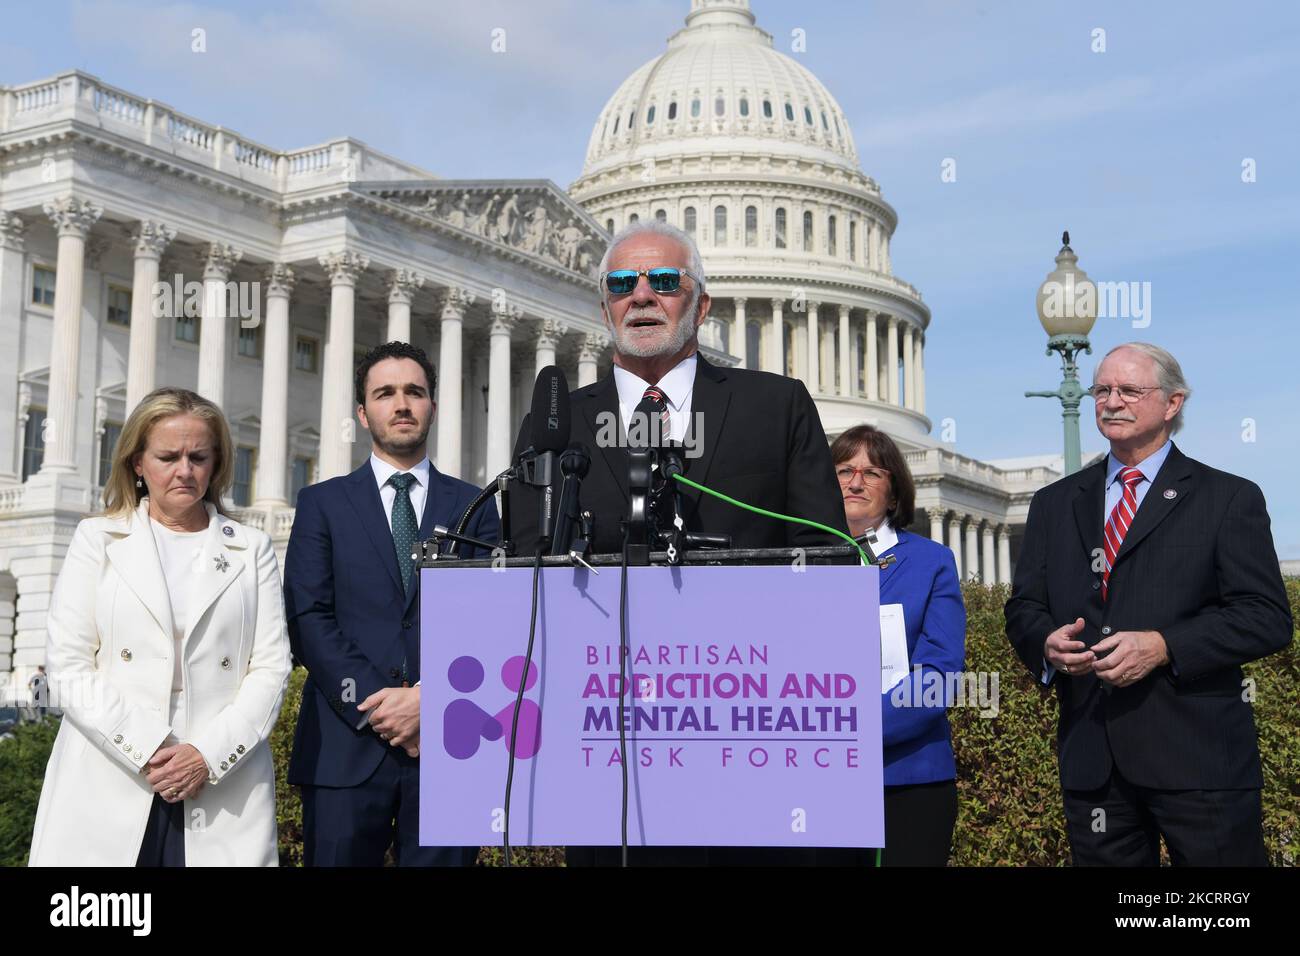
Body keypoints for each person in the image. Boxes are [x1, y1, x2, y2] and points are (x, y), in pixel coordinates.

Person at [509, 220, 848, 865]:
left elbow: (825, 556)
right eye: (621, 284)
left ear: (701, 304)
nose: (641, 296)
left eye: (663, 281)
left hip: (746, 732)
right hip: (604, 744)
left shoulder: (774, 406)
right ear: (602, 304)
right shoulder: (559, 423)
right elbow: (529, 559)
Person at [1005, 342, 1292, 866]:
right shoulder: (1053, 503)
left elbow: (1266, 617)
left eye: (1130, 390)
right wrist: (1045, 645)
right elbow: (1024, 606)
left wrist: (1165, 646)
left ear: (1173, 403)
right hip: (1094, 762)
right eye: (1102, 390)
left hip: (1200, 763)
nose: (1112, 401)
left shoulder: (1228, 498)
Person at [29, 387, 291, 866]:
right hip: (111, 770)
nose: (185, 471)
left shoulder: (252, 548)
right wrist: (150, 746)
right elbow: (68, 666)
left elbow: (271, 668)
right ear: (136, 462)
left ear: (216, 464)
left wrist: (205, 756)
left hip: (220, 780)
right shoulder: (97, 539)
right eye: (168, 456)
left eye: (199, 457)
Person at [284, 341, 500, 866]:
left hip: (450, 741)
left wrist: (431, 700)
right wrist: (382, 707)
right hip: (344, 746)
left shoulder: (476, 505)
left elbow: (492, 619)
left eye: (414, 392)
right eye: (385, 393)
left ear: (432, 406)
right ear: (363, 412)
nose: (401, 404)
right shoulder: (322, 504)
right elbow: (309, 619)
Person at [817, 425, 964, 866]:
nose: (855, 482)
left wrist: (855, 730)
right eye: (843, 470)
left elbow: (939, 674)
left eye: (872, 473)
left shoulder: (931, 562)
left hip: (908, 776)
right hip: (818, 778)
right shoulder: (790, 561)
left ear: (895, 494)